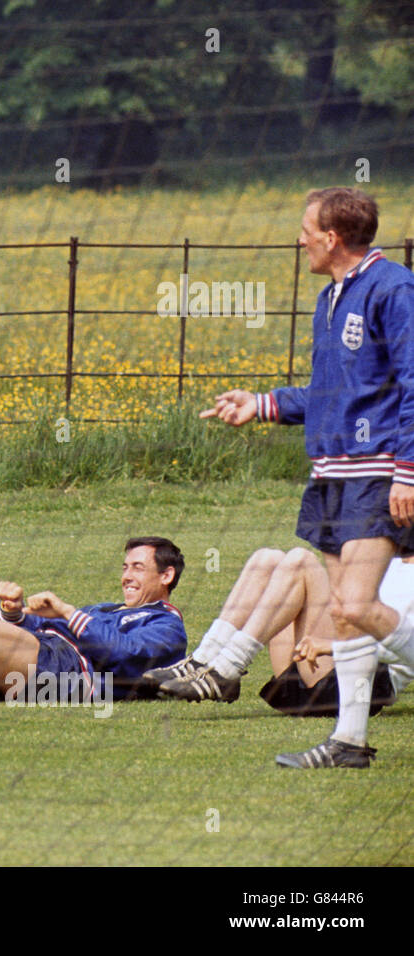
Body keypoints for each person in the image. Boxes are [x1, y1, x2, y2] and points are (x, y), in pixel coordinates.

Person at [202, 187, 414, 768]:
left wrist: (408, 475)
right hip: (331, 479)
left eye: (305, 229)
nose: (298, 239)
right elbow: (329, 393)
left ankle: (350, 737)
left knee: (357, 604)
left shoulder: (393, 289)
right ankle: (348, 743)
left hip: (376, 475)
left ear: (332, 237)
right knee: (346, 612)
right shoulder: (329, 298)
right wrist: (263, 404)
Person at [144, 548, 414, 714]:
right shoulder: (386, 560)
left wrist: (332, 646)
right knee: (268, 559)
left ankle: (227, 669)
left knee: (302, 561)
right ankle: (205, 659)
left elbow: (406, 647)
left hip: (359, 685)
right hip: (305, 677)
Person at [0, 537, 187, 704]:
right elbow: (41, 633)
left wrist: (69, 613)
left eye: (137, 568)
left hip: (63, 673)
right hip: (41, 660)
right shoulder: (105, 609)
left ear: (166, 575)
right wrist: (15, 615)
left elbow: (125, 654)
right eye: (125, 568)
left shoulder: (167, 625)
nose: (126, 576)